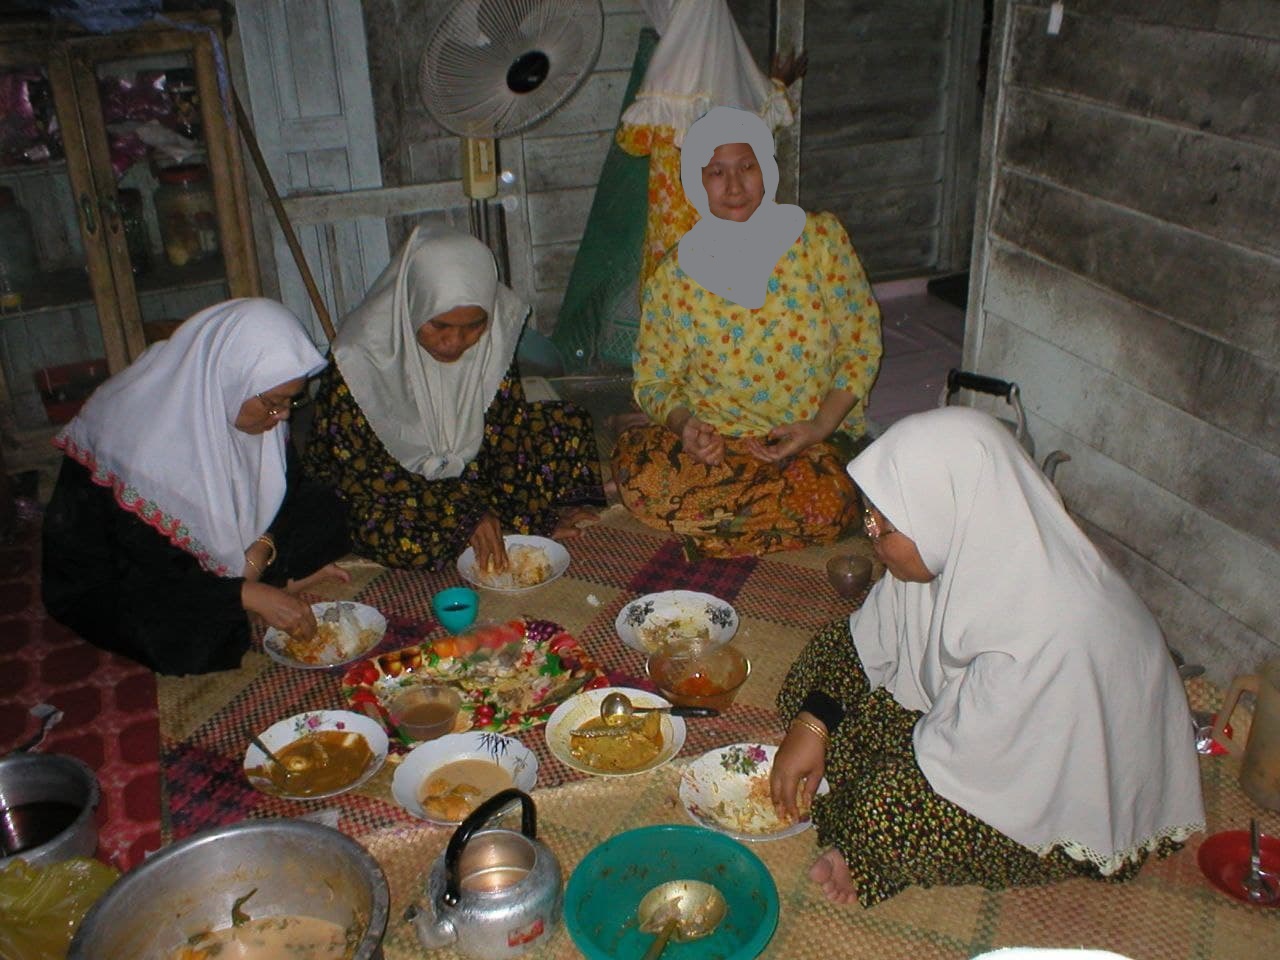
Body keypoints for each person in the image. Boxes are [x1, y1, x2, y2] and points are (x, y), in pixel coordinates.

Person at [769, 407, 1205, 906]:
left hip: (1061, 788)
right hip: (974, 728)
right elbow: (858, 647)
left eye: (885, 524)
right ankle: (865, 831)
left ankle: (870, 851)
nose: (871, 537)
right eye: (870, 517)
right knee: (818, 679)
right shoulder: (953, 548)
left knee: (881, 810)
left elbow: (978, 770)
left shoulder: (1052, 627)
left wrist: (872, 774)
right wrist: (815, 723)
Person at [612, 106, 882, 559]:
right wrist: (687, 429)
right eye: (716, 172)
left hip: (803, 443)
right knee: (640, 479)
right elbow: (654, 378)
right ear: (696, 182)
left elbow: (861, 344)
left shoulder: (819, 242)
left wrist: (818, 427)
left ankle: (708, 531)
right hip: (713, 450)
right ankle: (741, 523)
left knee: (833, 504)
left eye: (747, 166)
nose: (734, 186)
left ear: (768, 170)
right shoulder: (675, 275)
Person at [42, 299, 353, 676]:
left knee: (332, 508)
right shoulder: (140, 444)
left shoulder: (256, 409)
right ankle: (266, 589)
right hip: (123, 577)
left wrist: (260, 550)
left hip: (225, 556)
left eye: (291, 401)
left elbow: (291, 490)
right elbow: (151, 575)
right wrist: (245, 592)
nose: (284, 415)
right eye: (274, 403)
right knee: (189, 640)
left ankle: (265, 583)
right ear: (231, 379)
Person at [302, 225, 605, 571]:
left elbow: (506, 434)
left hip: (470, 465)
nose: (456, 342)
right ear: (412, 304)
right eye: (440, 326)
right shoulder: (357, 357)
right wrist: (464, 512)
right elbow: (360, 475)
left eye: (473, 326)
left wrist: (533, 516)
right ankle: (475, 524)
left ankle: (506, 517)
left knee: (565, 423)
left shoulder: (495, 336)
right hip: (391, 486)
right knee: (382, 531)